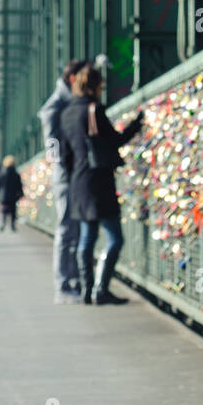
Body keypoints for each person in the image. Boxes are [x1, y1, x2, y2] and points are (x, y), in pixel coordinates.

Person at [60, 65, 143, 306]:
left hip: (79, 182)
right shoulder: (93, 110)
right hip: (99, 181)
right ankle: (101, 288)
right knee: (115, 237)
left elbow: (64, 156)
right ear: (94, 86)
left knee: (86, 237)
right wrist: (136, 125)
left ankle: (86, 289)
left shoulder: (65, 114)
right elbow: (116, 140)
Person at [38, 59, 88, 304]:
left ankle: (72, 280)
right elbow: (52, 143)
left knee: (73, 227)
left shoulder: (65, 101)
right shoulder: (56, 105)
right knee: (67, 226)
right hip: (66, 174)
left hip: (72, 172)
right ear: (72, 79)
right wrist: (62, 162)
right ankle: (63, 284)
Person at [0, 155, 24, 232]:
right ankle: (12, 225)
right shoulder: (16, 174)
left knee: (4, 210)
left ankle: (3, 223)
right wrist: (21, 194)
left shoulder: (2, 173)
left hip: (4, 195)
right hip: (13, 195)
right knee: (13, 211)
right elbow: (19, 185)